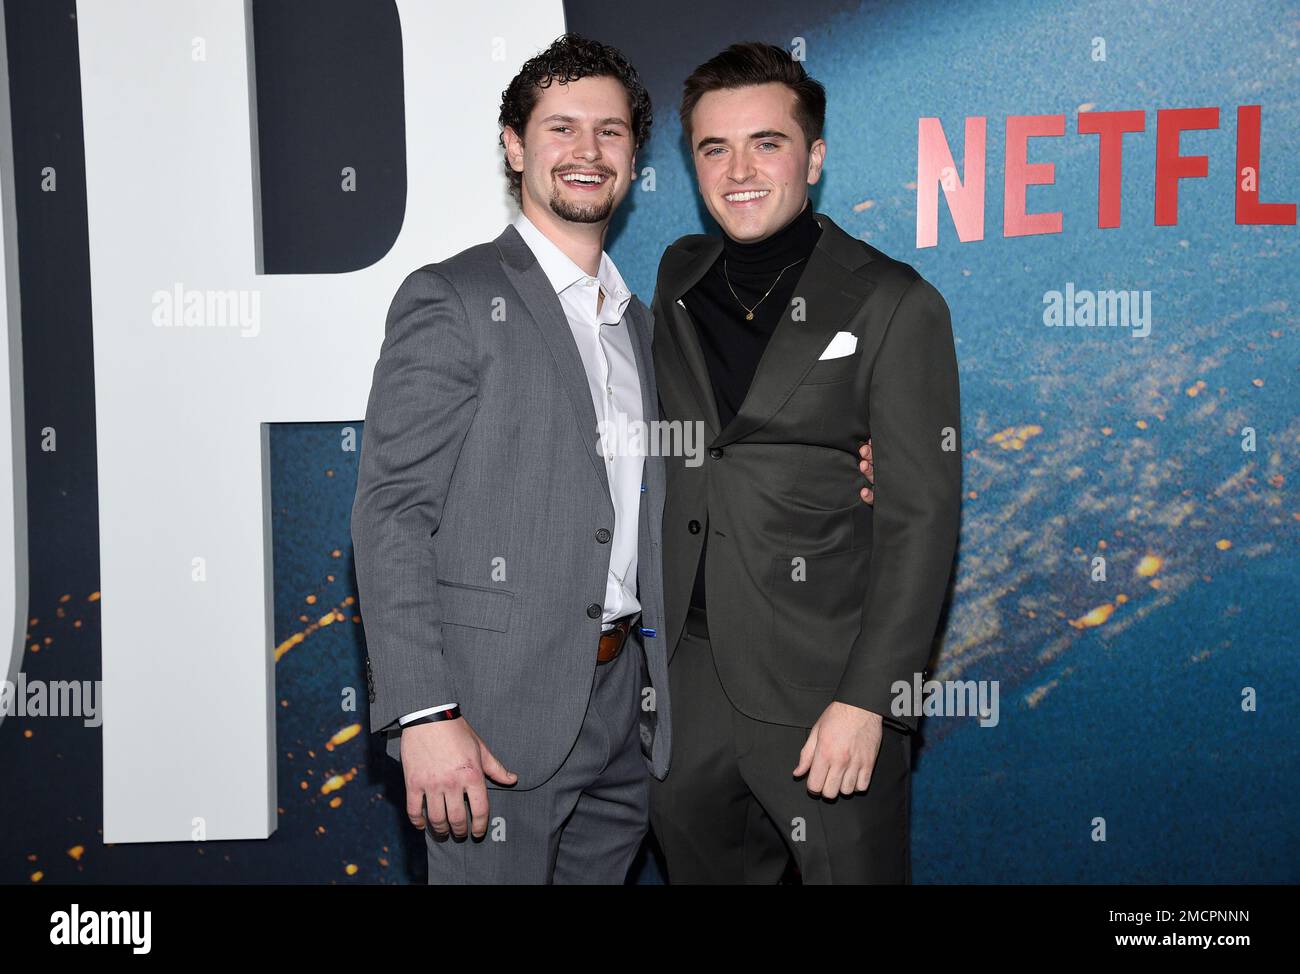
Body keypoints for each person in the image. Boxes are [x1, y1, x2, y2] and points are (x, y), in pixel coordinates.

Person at [351, 34, 669, 884]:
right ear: (515, 146)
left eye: (609, 131)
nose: (586, 151)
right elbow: (390, 516)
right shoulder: (450, 297)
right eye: (560, 128)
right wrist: (424, 712)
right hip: (488, 718)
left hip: (621, 719)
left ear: (633, 156)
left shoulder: (639, 327)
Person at [648, 42, 962, 884]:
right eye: (715, 148)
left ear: (814, 158)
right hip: (690, 680)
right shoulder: (677, 277)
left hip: (828, 684)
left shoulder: (895, 301)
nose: (739, 169)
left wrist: (872, 702)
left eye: (768, 143)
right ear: (692, 162)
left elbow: (921, 520)